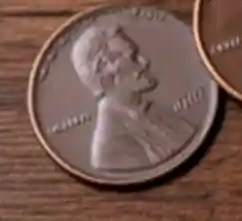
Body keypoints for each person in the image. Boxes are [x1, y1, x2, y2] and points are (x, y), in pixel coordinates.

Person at [70, 23, 193, 171]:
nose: (144, 61)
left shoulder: (153, 112)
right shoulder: (110, 147)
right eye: (134, 57)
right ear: (105, 67)